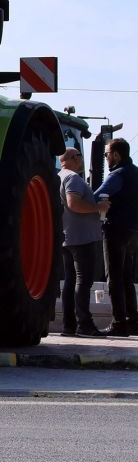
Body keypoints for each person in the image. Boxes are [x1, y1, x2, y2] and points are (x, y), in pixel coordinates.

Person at [59, 148, 107, 337]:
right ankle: (84, 324)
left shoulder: (58, 177)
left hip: (67, 237)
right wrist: (98, 207)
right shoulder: (73, 178)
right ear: (72, 158)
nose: (81, 160)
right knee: (83, 281)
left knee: (70, 282)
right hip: (82, 237)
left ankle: (68, 325)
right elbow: (74, 203)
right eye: (79, 156)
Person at [97, 138, 138, 337]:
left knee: (113, 277)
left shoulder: (117, 174)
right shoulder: (136, 172)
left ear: (115, 155)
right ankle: (133, 320)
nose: (105, 158)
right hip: (132, 231)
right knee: (127, 277)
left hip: (115, 229)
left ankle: (119, 323)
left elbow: (98, 195)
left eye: (106, 154)